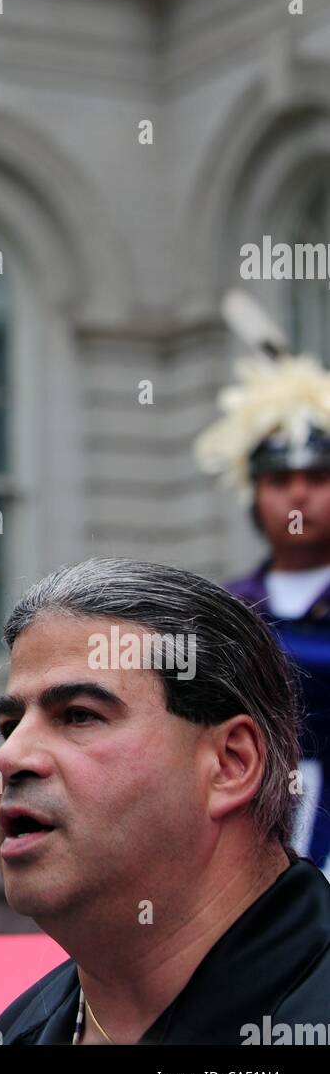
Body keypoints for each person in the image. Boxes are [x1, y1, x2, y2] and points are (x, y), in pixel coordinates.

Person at [0, 558, 330, 1046]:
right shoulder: (12, 1034)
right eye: (9, 726)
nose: (9, 757)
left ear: (231, 763)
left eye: (79, 715)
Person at [195, 317, 330, 876]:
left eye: (318, 477)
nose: (298, 493)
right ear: (254, 497)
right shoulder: (227, 609)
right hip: (246, 827)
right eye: (279, 481)